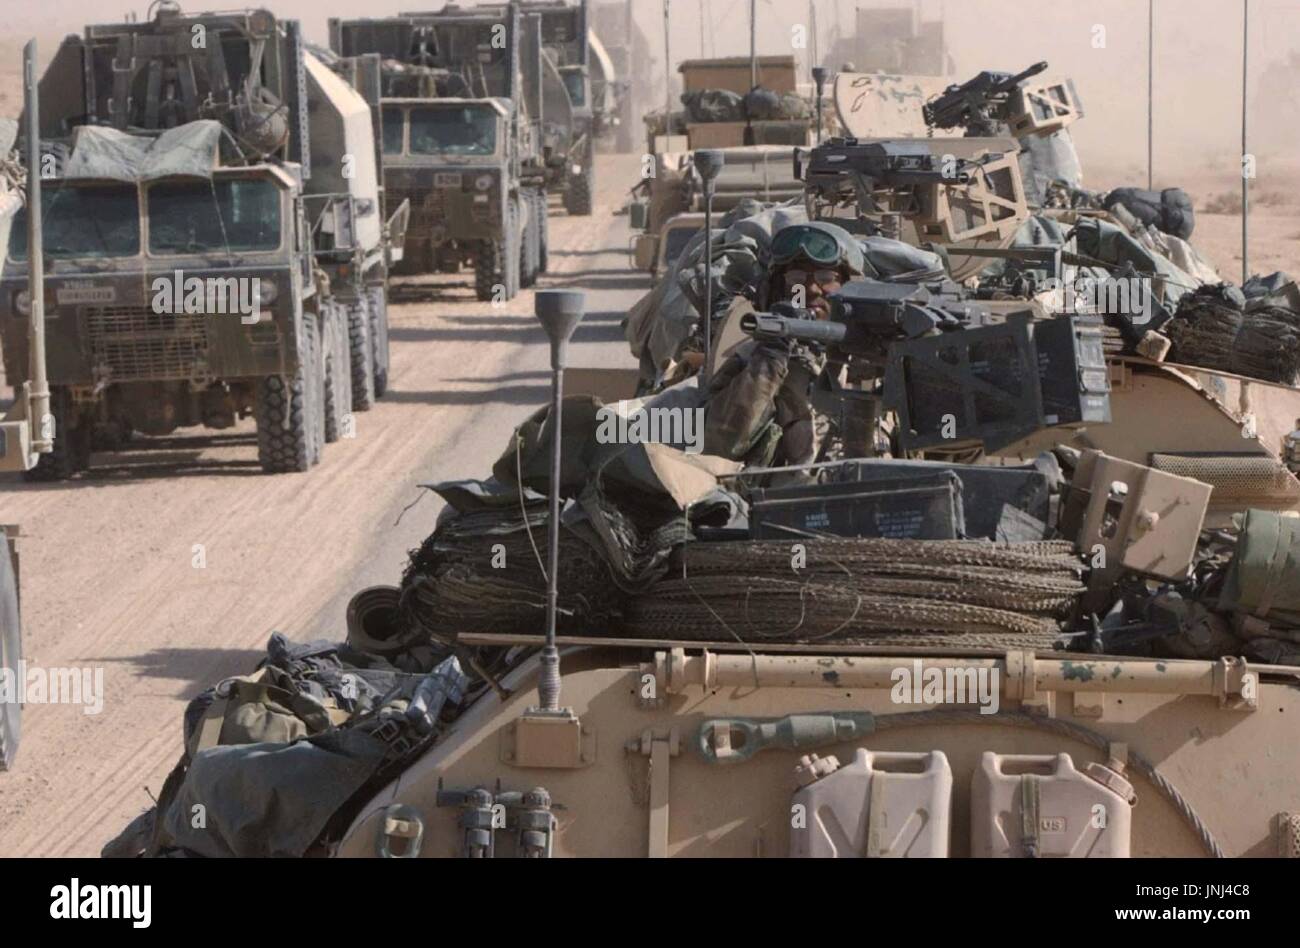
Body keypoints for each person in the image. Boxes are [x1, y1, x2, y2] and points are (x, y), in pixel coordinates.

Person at [702, 221, 869, 471]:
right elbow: (722, 443)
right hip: (788, 497)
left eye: (826, 278)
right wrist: (770, 361)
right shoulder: (753, 360)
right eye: (796, 279)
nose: (811, 289)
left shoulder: (879, 358)